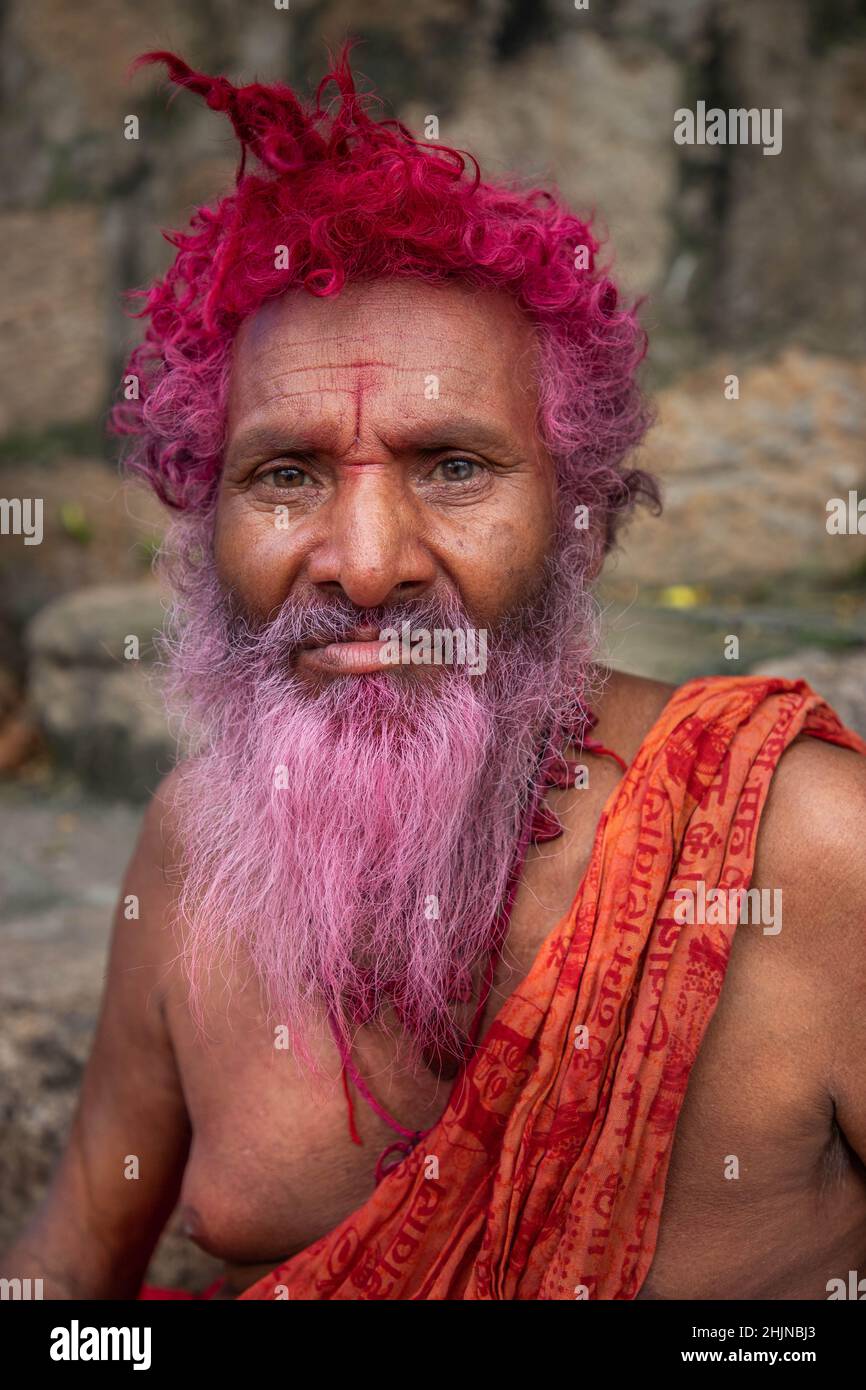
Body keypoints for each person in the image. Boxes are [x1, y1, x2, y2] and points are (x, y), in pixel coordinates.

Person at [3, 48, 865, 1302]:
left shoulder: (809, 857)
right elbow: (67, 1284)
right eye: (285, 473)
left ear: (581, 512)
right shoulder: (193, 848)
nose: (362, 565)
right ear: (205, 529)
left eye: (453, 466)